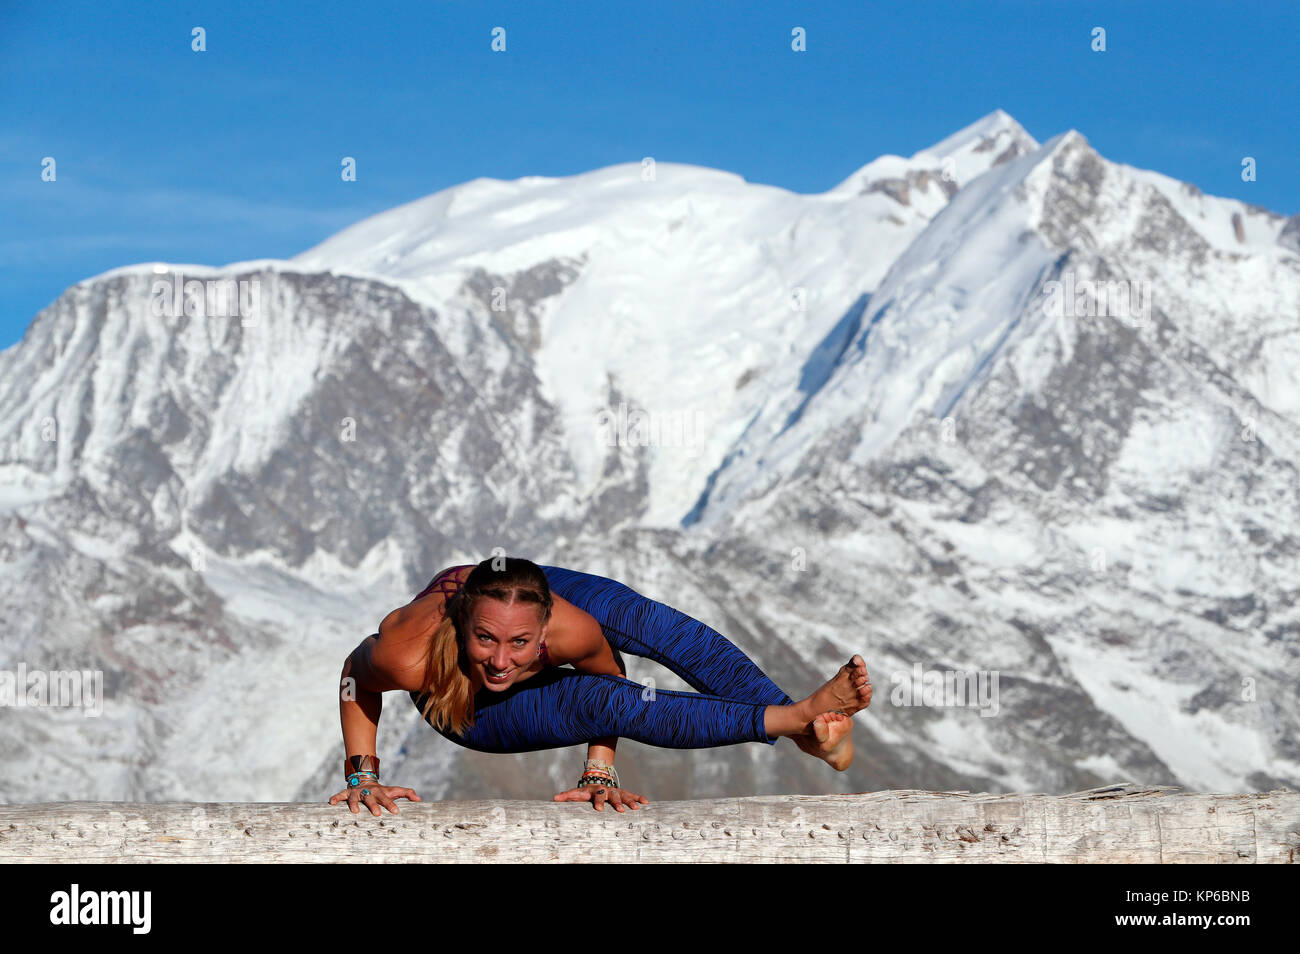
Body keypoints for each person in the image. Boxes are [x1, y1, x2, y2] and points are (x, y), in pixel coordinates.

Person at [328, 556, 872, 815]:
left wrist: (599, 770)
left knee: (644, 624)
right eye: (484, 640)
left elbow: (609, 696)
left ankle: (805, 728)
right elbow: (356, 677)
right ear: (464, 624)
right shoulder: (409, 653)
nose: (499, 660)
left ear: (544, 631)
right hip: (464, 709)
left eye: (519, 643)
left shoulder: (573, 629)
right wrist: (362, 775)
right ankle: (798, 721)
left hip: (515, 590)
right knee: (602, 695)